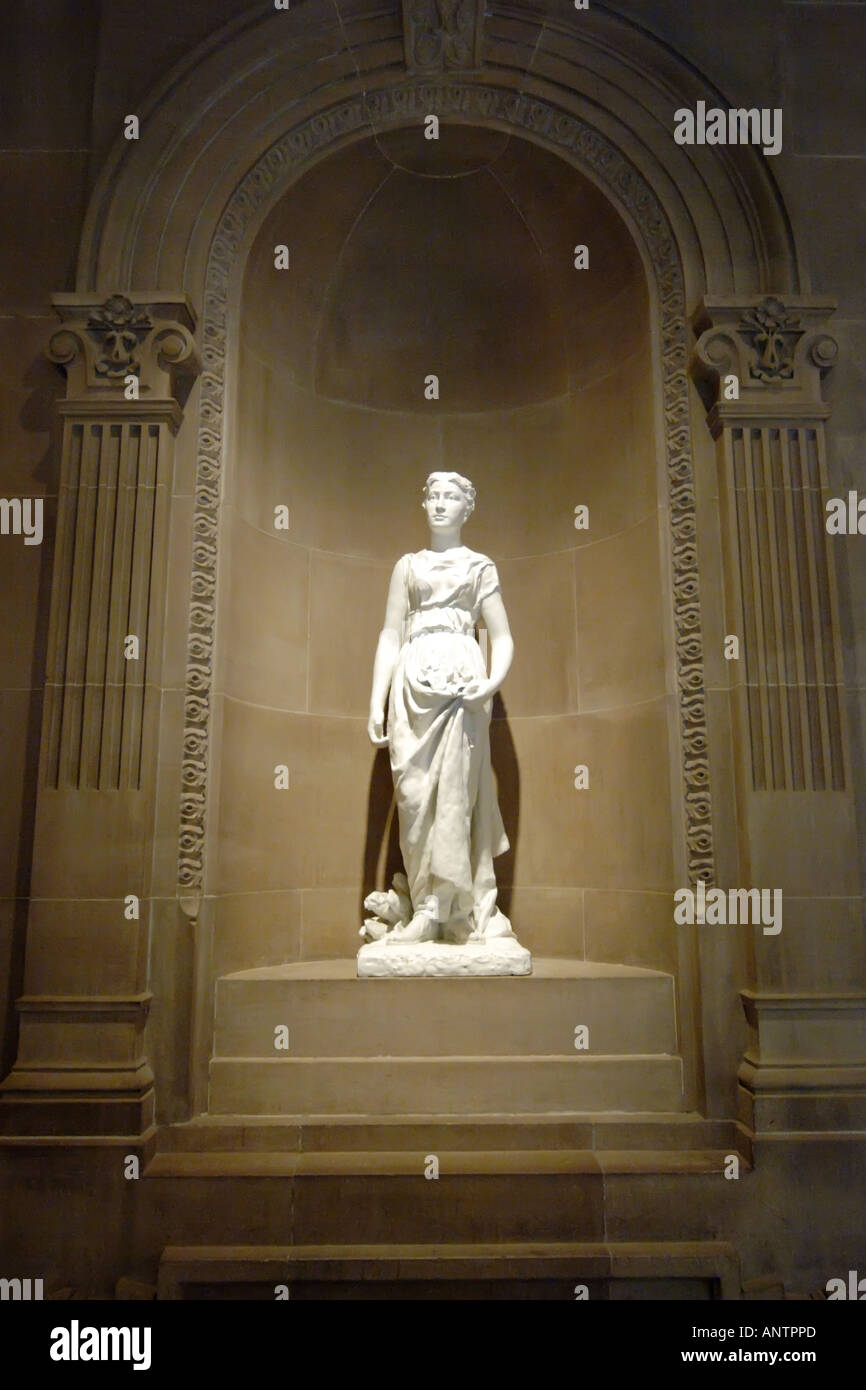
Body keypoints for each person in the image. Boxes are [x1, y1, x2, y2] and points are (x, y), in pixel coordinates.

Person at [364, 470, 517, 945]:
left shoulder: (480, 567)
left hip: (461, 687)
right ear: (423, 503)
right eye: (434, 496)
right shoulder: (407, 566)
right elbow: (390, 633)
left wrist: (490, 682)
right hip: (410, 688)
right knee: (412, 798)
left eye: (452, 497)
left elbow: (503, 636)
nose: (441, 504)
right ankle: (427, 900)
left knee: (453, 797)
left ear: (467, 508)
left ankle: (439, 909)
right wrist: (376, 698)